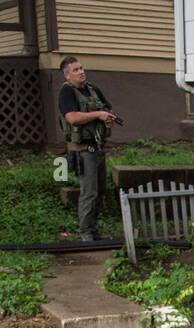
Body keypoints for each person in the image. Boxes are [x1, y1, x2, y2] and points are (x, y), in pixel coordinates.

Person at [58, 56, 116, 242]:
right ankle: (85, 233)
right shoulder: (67, 93)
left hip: (98, 148)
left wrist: (108, 117)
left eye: (81, 68)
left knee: (99, 192)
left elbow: (107, 108)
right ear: (67, 76)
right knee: (89, 192)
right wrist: (99, 114)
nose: (81, 72)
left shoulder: (93, 89)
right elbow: (72, 118)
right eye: (75, 70)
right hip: (83, 151)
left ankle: (94, 230)